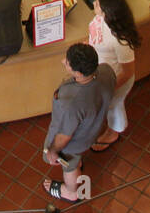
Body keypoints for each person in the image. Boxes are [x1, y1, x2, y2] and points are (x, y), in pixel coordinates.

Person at [42, 43, 116, 202]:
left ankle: (71, 192)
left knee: (70, 164)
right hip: (92, 129)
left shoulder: (72, 103)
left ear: (79, 73)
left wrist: (53, 151)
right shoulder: (106, 71)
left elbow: (65, 136)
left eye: (67, 62)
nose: (63, 62)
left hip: (74, 143)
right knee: (75, 157)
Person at [88, 0, 142, 152]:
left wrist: (108, 88)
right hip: (102, 74)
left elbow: (127, 72)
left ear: (106, 12)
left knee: (114, 105)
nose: (93, 4)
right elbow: (94, 37)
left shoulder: (121, 40)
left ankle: (113, 132)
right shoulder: (99, 19)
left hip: (115, 80)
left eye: (97, 3)